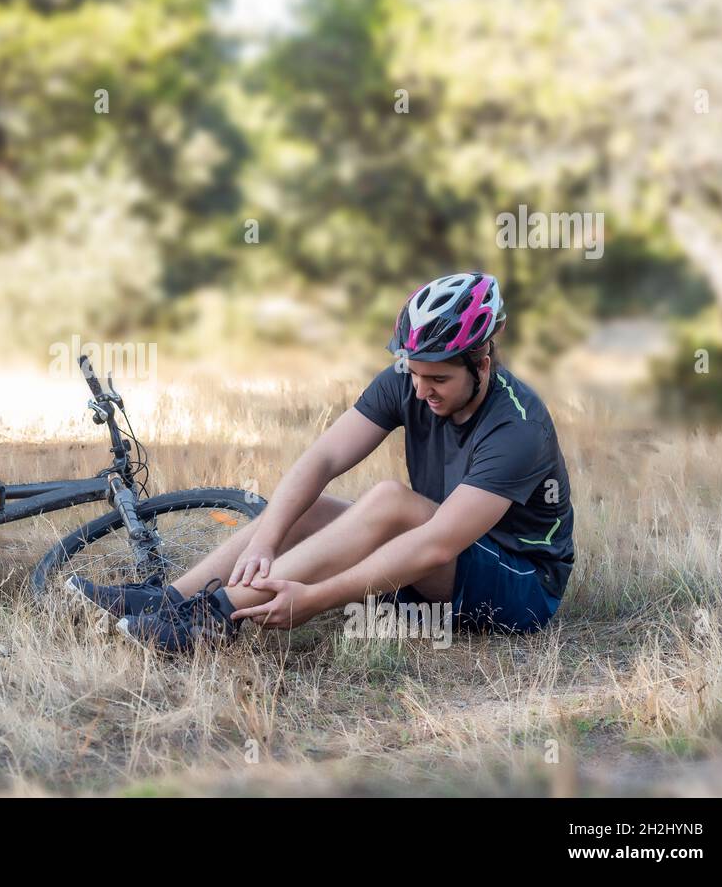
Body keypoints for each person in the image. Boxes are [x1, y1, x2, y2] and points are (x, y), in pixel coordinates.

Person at [65, 271, 575, 653]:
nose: (421, 391)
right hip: (438, 564)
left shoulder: (518, 427)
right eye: (415, 374)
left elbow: (436, 542)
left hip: (521, 589)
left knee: (390, 501)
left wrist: (317, 598)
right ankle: (169, 601)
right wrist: (266, 538)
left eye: (438, 380)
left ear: (481, 363)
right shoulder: (410, 379)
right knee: (307, 507)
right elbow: (325, 456)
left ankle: (215, 617)